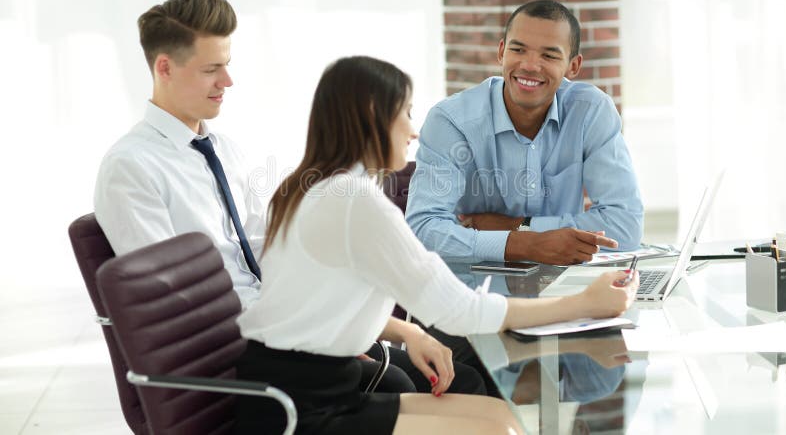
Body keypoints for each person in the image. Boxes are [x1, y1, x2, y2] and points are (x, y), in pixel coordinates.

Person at [93, 0, 484, 398]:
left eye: (227, 66)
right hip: (242, 352)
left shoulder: (224, 149)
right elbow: (170, 302)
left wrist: (389, 329)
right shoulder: (131, 167)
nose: (227, 82)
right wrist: (313, 349)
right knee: (406, 386)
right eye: (212, 69)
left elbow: (278, 266)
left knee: (463, 378)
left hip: (286, 333)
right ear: (164, 67)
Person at [234, 55, 639, 434]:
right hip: (301, 405)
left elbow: (320, 300)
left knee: (501, 416)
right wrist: (585, 304)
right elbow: (460, 311)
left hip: (298, 381)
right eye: (406, 113)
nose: (414, 130)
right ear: (375, 117)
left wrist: (408, 333)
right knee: (495, 426)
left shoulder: (312, 186)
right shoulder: (355, 202)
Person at [405, 0, 644, 267]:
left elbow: (625, 227)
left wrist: (519, 226)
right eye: (518, 50)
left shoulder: (589, 111)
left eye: (549, 55)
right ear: (501, 52)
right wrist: (526, 244)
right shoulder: (451, 121)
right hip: (473, 290)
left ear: (573, 66)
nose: (530, 65)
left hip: (565, 287)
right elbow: (422, 230)